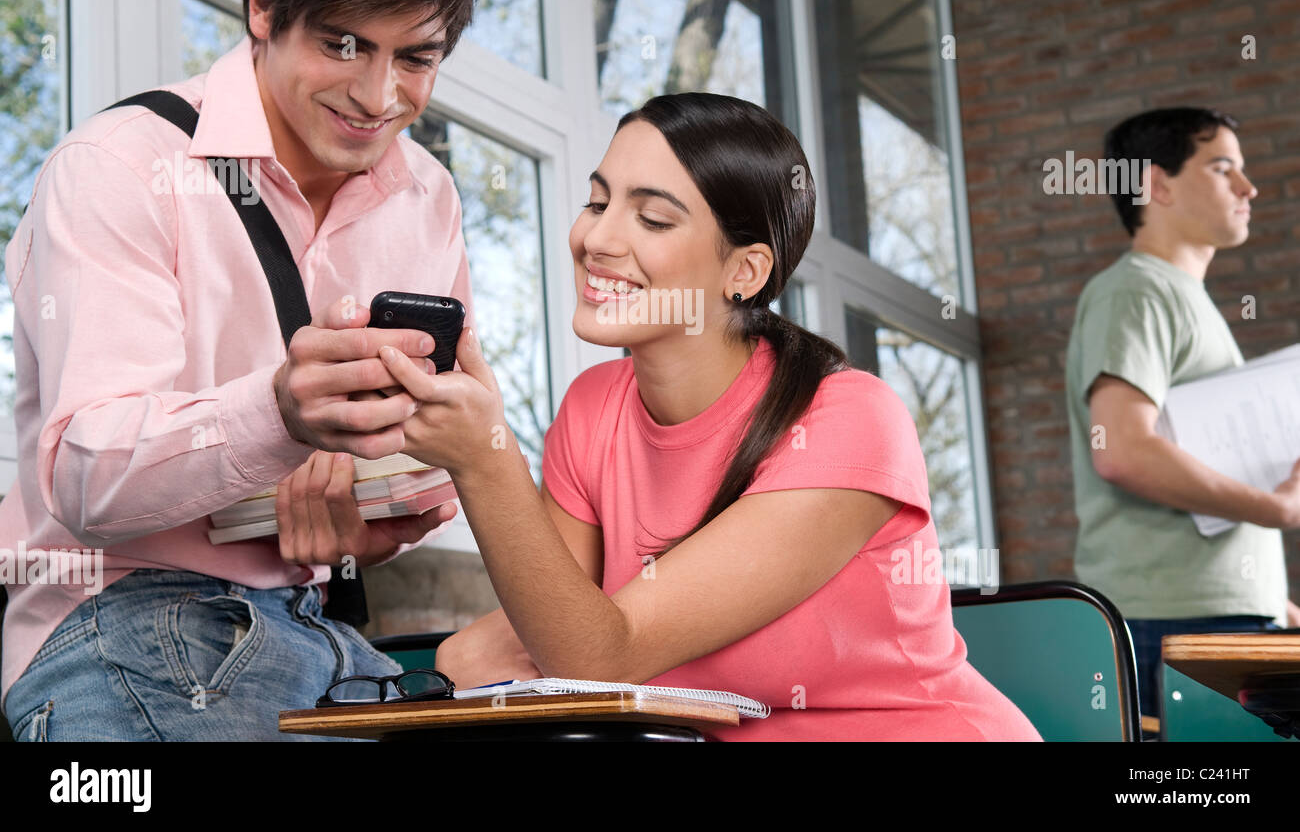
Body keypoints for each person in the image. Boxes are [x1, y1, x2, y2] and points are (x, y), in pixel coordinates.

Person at [377, 92, 1042, 740]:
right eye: (598, 201)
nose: (596, 238)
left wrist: (484, 459)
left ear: (745, 271)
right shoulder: (592, 409)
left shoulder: (848, 418)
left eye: (653, 220)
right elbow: (538, 641)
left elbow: (597, 657)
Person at [2, 0, 481, 741]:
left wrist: (367, 528)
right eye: (343, 43)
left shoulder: (429, 199)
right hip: (125, 622)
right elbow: (84, 472)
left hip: (326, 637)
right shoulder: (118, 164)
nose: (380, 99)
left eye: (416, 58)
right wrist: (281, 414)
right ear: (262, 0)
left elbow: (436, 459)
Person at [1065, 106, 1300, 724]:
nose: (1248, 188)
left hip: (1220, 611)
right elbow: (1119, 449)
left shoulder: (1180, 298)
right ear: (1155, 184)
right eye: (1224, 168)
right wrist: (1276, 509)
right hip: (1173, 618)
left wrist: (1268, 595)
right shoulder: (1135, 290)